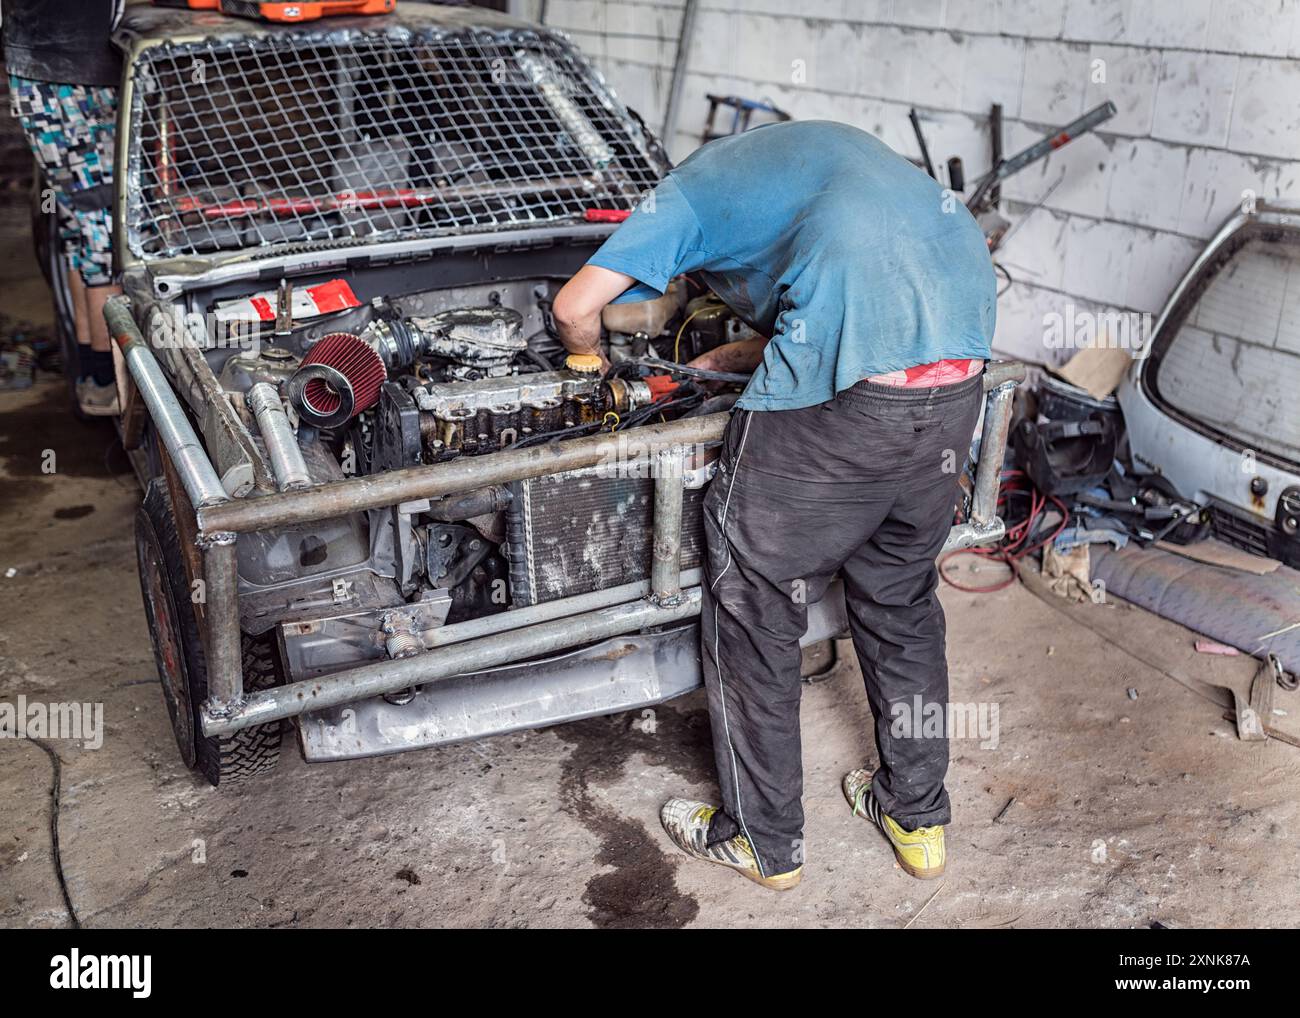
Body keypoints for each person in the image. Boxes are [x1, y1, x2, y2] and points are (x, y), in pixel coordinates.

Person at [551, 120, 996, 890]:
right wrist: (737, 357)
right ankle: (916, 818)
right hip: (958, 375)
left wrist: (588, 369)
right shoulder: (810, 158)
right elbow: (858, 289)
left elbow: (573, 306)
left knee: (755, 601)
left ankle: (763, 840)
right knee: (901, 598)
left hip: (848, 410)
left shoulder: (684, 193)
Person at [3, 0, 125, 415]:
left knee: (80, 219)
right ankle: (110, 381)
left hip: (44, 70)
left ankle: (93, 373)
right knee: (102, 223)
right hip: (71, 75)